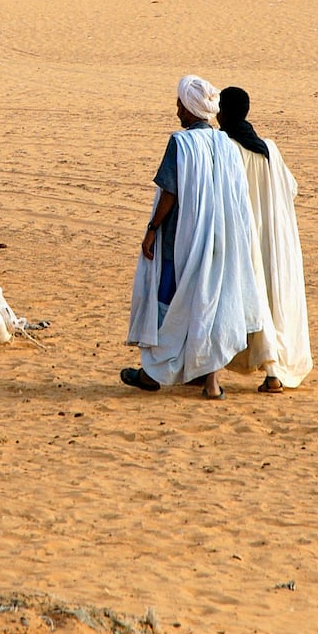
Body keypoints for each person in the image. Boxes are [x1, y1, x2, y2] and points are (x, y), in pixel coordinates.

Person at [124, 76, 267, 400]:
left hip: (183, 241)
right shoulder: (226, 145)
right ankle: (209, 382)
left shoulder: (181, 143)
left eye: (179, 104)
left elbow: (169, 194)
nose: (176, 109)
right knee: (211, 307)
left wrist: (151, 230)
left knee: (170, 305)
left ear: (189, 109)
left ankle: (152, 373)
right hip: (224, 240)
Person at [216, 86, 311, 393]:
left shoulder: (226, 147)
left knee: (231, 301)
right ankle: (271, 372)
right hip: (271, 241)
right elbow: (291, 188)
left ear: (225, 113)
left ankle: (217, 370)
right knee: (268, 300)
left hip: (242, 239)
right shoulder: (269, 148)